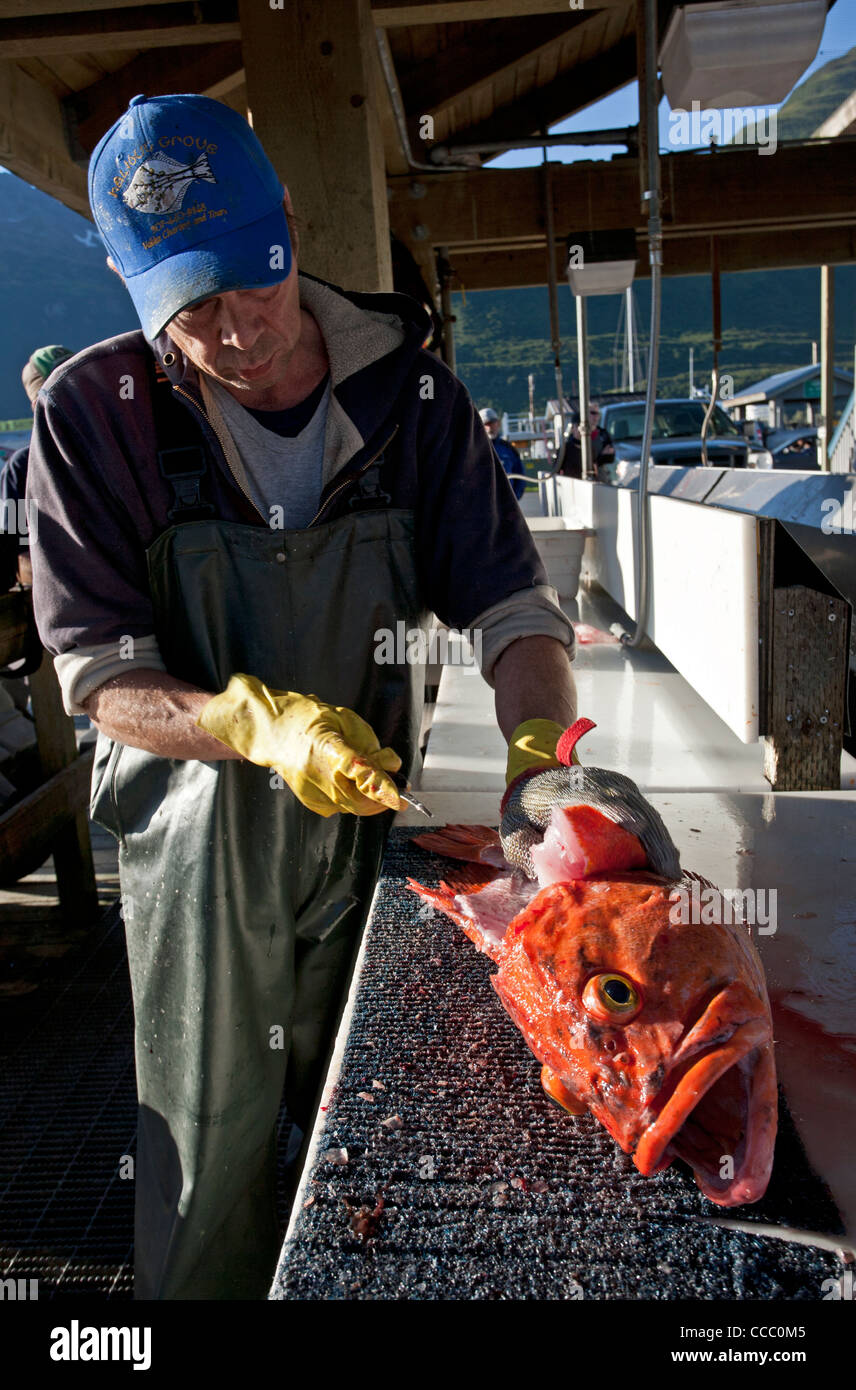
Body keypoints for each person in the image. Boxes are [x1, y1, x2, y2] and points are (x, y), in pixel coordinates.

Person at [27, 94, 579, 1300]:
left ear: (290, 225)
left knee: (383, 1120)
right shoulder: (91, 417)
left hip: (369, 824)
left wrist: (541, 748)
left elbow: (512, 613)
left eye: (251, 284)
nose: (233, 334)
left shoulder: (412, 400)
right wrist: (246, 721)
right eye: (189, 305)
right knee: (204, 1152)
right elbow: (96, 678)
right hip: (197, 852)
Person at [0, 345, 75, 587]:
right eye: (64, 390)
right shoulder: (24, 468)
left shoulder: (119, 447)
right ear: (38, 405)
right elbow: (16, 544)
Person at [557, 401, 615, 480]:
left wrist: (598, 459)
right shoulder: (568, 444)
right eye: (593, 413)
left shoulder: (603, 435)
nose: (596, 416)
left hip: (599, 479)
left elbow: (610, 458)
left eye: (598, 414)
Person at [479, 406, 527, 500]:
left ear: (498, 424)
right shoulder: (473, 450)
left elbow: (520, 476)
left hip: (506, 504)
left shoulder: (509, 449)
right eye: (486, 424)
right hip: (482, 505)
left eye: (492, 423)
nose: (490, 427)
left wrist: (514, 499)